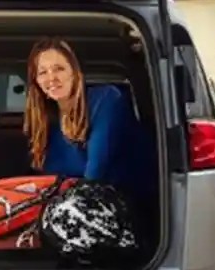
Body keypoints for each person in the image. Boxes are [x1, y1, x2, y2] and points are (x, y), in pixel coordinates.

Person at [25, 37, 154, 213]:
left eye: (59, 69)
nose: (51, 78)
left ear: (75, 72)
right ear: (36, 81)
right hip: (72, 206)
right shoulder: (47, 122)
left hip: (120, 205)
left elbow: (96, 173)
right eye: (42, 73)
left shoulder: (106, 100)